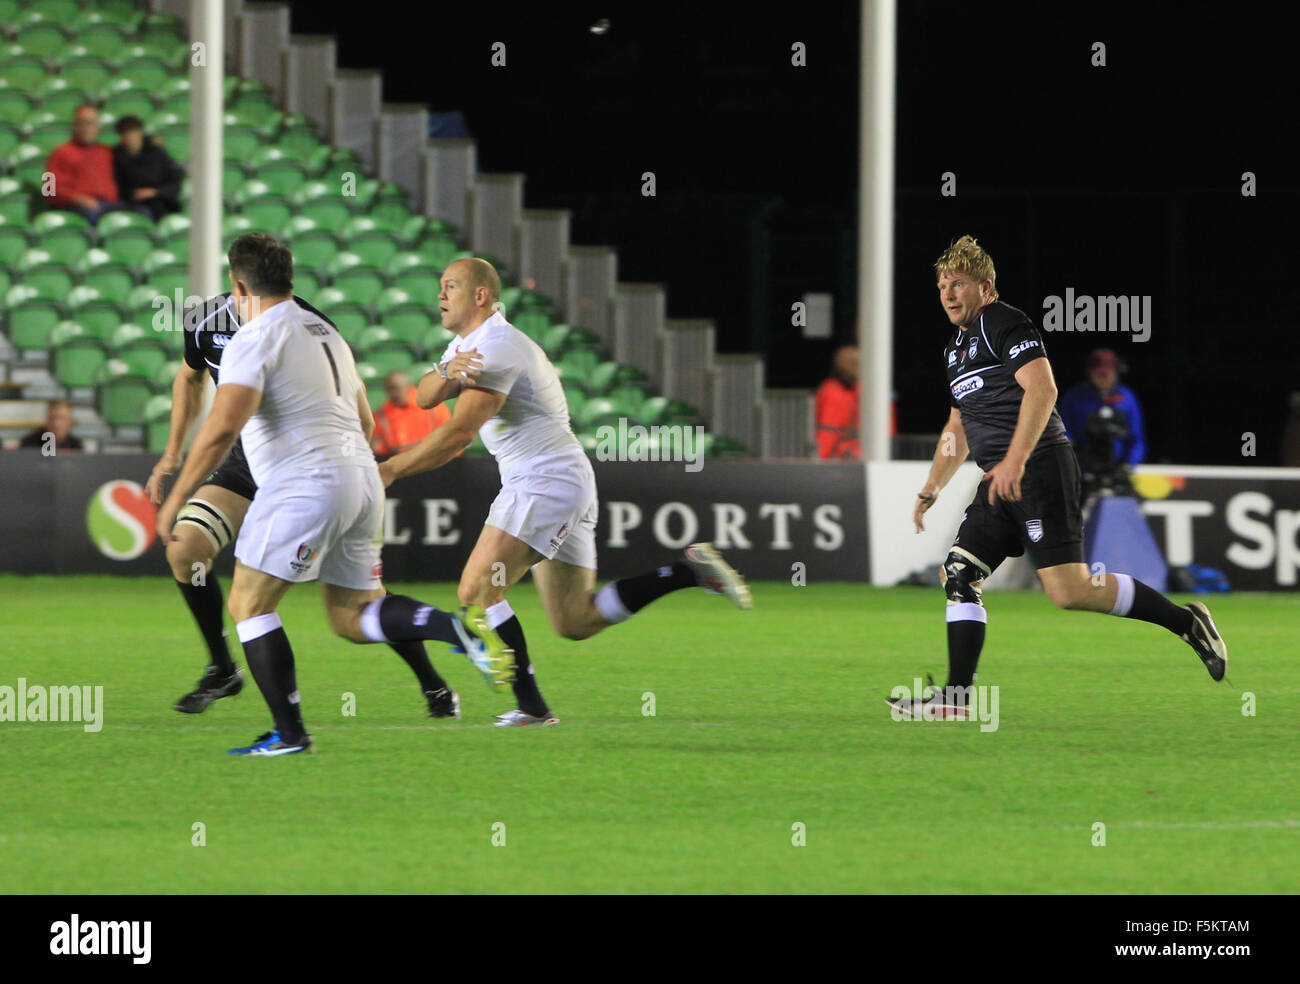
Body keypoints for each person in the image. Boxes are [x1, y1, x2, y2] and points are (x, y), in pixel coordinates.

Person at [154, 234, 513, 756]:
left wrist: (175, 494)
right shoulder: (323, 330)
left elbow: (220, 429)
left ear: (237, 286)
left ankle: (290, 733)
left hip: (303, 481)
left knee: (249, 603)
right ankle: (452, 628)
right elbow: (367, 421)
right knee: (351, 615)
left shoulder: (250, 339)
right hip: (361, 477)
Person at [378, 258, 752, 727]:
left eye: (449, 286)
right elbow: (424, 396)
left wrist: (389, 469)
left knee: (477, 590)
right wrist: (446, 366)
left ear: (479, 295)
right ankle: (684, 573)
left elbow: (458, 435)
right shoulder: (470, 344)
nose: (440, 295)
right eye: (439, 287)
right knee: (575, 619)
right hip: (562, 478)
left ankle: (532, 708)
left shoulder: (497, 347)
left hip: (543, 480)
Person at [892, 235, 1228, 719]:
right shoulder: (955, 348)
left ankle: (1186, 622)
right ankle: (958, 698)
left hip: (1041, 467)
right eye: (942, 284)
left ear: (985, 287)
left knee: (1068, 591)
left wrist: (1015, 460)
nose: (947, 293)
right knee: (961, 573)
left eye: (958, 283)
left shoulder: (1002, 321)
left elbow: (1043, 389)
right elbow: (958, 424)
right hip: (999, 479)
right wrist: (933, 486)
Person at [44, 105, 148, 224]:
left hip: (111, 205)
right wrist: (76, 198)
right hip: (79, 207)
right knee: (91, 214)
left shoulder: (107, 152)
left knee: (143, 213)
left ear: (98, 127)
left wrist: (150, 143)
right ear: (74, 126)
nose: (85, 128)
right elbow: (48, 190)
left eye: (90, 123)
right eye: (81, 123)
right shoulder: (59, 153)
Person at [1058, 348, 1146, 466]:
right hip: (1083, 466)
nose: (1103, 378)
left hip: (1118, 467)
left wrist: (1129, 465)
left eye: (1106, 374)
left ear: (1115, 372)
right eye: (1098, 374)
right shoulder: (1074, 397)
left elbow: (1136, 438)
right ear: (1090, 373)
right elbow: (1063, 431)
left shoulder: (1127, 398)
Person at [111, 115, 183, 221]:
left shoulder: (157, 153)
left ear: (140, 133)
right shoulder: (117, 156)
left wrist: (155, 191)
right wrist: (134, 195)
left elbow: (174, 181)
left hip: (162, 201)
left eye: (132, 132)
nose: (129, 136)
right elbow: (118, 186)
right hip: (135, 204)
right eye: (124, 133)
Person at [371, 370, 451, 458]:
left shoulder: (433, 405)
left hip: (433, 459)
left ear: (407, 386)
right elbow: (378, 448)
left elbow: (449, 437)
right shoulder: (381, 415)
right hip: (399, 463)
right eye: (388, 389)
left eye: (395, 388)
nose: (392, 394)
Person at [815, 345, 860, 459]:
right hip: (843, 456)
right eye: (854, 364)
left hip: (850, 456)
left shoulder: (859, 390)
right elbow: (827, 431)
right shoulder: (832, 391)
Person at [17, 400, 83, 452]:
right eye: (53, 418)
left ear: (70, 421)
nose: (57, 423)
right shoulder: (29, 443)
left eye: (62, 418)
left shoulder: (76, 446)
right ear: (47, 420)